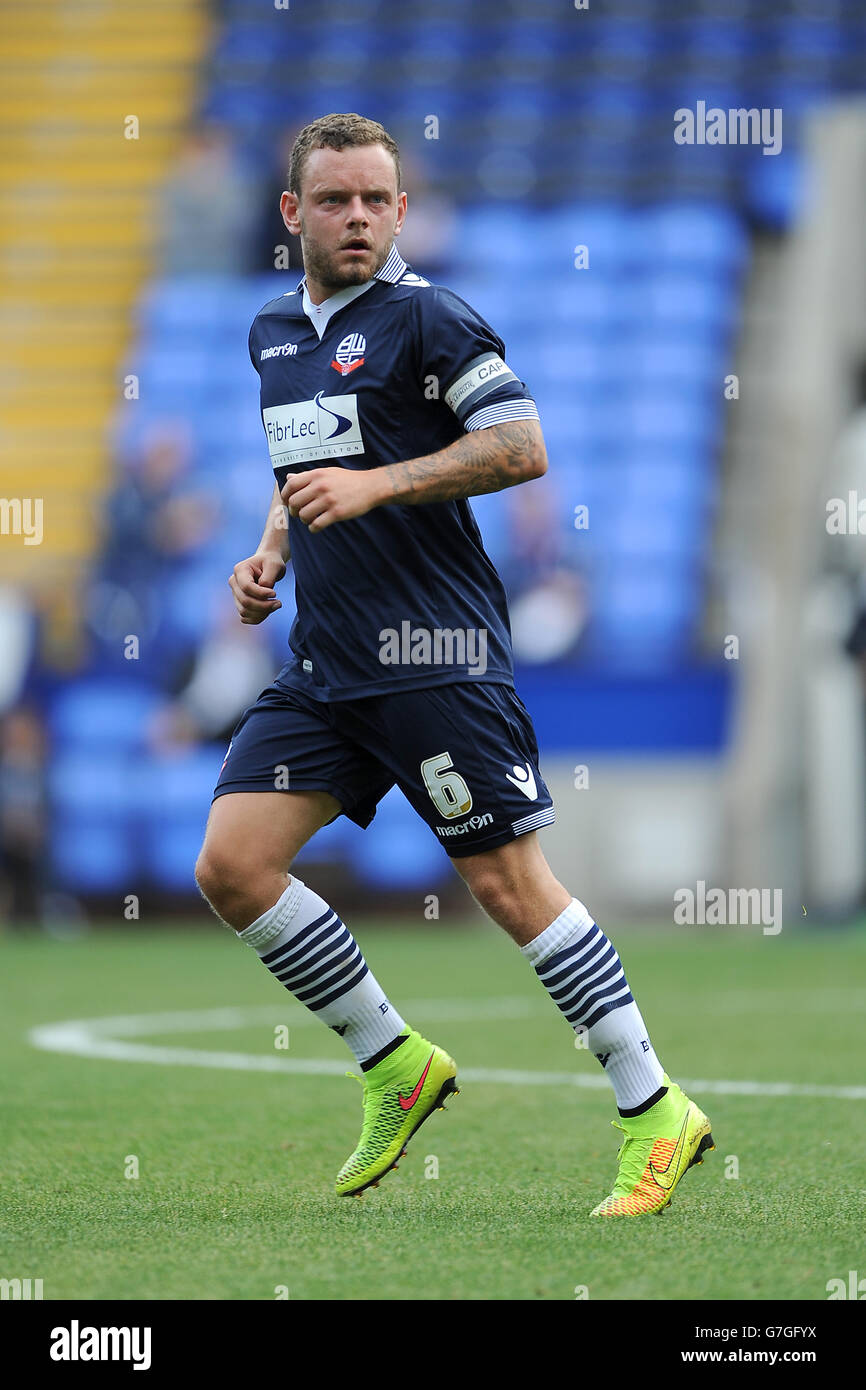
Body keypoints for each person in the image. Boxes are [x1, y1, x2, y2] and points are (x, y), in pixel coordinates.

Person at [194, 113, 713, 1215]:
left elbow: (521, 447)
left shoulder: (430, 318)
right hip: (327, 662)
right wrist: (270, 551)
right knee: (232, 865)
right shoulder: (271, 334)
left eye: (378, 200)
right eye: (335, 200)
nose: (359, 219)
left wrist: (378, 487)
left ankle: (654, 1107)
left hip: (434, 655)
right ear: (292, 213)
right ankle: (394, 1061)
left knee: (506, 885)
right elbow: (306, 460)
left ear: (401, 208)